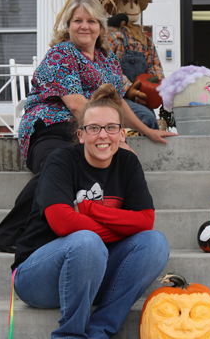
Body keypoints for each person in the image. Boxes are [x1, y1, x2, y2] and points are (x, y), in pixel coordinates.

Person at [0, 0, 176, 252]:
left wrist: (148, 130)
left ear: (100, 26)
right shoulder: (60, 54)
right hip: (50, 126)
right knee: (56, 164)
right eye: (77, 20)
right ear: (68, 26)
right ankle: (10, 233)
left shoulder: (107, 59)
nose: (84, 26)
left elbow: (117, 102)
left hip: (88, 130)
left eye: (91, 21)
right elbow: (77, 105)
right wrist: (116, 140)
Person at [12, 83, 169, 339]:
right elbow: (63, 223)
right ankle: (70, 336)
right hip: (38, 276)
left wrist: (89, 211)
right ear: (82, 134)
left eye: (111, 128)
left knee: (155, 243)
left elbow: (145, 222)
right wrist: (117, 227)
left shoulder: (127, 163)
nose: (103, 136)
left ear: (121, 134)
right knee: (87, 242)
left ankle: (99, 331)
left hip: (92, 273)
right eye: (94, 128)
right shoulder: (61, 161)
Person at [106, 0, 164, 130]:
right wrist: (128, 88)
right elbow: (108, 67)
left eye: (136, 2)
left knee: (151, 118)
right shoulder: (114, 36)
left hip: (140, 99)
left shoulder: (146, 42)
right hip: (116, 96)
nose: (132, 6)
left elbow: (154, 68)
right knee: (148, 120)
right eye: (126, 1)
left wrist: (160, 89)